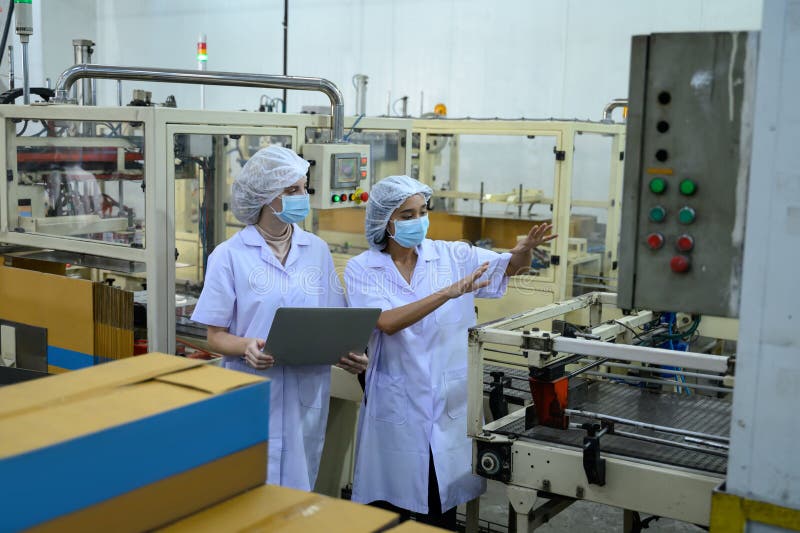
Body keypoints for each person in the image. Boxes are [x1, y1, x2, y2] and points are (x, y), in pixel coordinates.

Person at [345, 175, 555, 529]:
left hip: (447, 404)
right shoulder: (363, 268)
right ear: (385, 221)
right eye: (407, 214)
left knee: (437, 511)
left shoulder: (453, 254)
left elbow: (513, 267)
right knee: (385, 514)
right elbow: (387, 322)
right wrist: (449, 292)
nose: (419, 221)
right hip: (395, 405)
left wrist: (523, 250)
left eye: (423, 211)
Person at [191, 145, 368, 491]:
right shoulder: (229, 256)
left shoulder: (315, 249)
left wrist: (350, 353)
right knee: (249, 491)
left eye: (303, 188)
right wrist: (246, 347)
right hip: (253, 390)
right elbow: (214, 335)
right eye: (292, 191)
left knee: (298, 494)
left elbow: (335, 319)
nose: (303, 196)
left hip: (306, 393)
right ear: (264, 198)